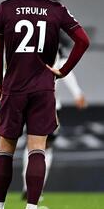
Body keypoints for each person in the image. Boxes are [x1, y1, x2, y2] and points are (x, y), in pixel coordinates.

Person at [0, 0, 90, 209]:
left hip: (14, 87)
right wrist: (63, 70)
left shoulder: (5, 8)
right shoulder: (56, 10)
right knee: (37, 149)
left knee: (5, 149)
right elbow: (83, 40)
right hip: (43, 89)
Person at [21, 47, 88, 199]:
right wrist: (77, 93)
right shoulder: (53, 46)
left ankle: (29, 187)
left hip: (33, 104)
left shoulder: (29, 47)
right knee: (43, 146)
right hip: (47, 105)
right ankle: (34, 188)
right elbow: (65, 68)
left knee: (34, 145)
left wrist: (77, 93)